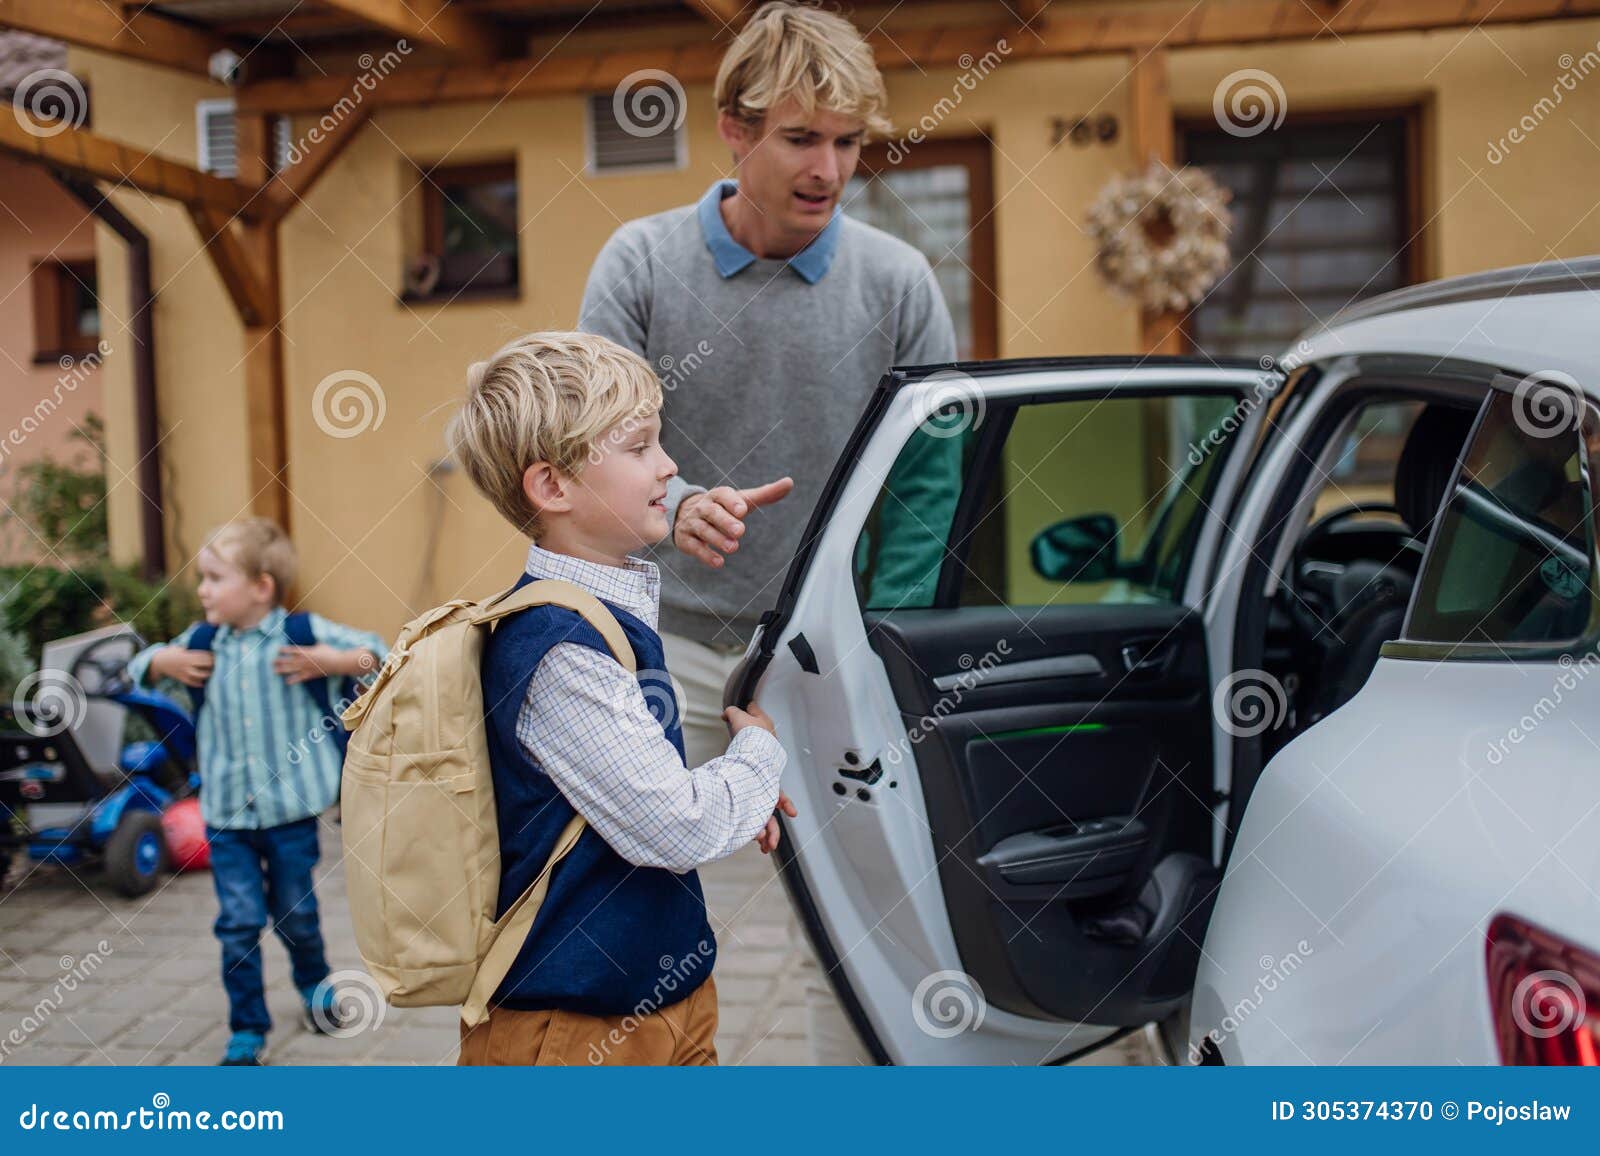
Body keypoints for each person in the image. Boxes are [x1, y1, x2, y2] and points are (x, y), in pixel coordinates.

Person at [579, 0, 959, 1062]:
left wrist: (882, 628)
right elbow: (583, 441)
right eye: (801, 137)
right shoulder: (640, 264)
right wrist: (673, 498)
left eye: (847, 142)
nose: (828, 167)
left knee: (860, 931)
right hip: (666, 645)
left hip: (826, 653)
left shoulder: (898, 284)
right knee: (619, 902)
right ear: (734, 131)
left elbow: (930, 477)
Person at [447, 331, 792, 1065]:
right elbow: (675, 828)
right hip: (578, 1032)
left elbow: (636, 799)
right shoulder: (561, 648)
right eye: (639, 447)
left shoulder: (602, 619)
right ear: (553, 487)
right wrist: (757, 753)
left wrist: (742, 794)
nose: (669, 466)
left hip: (661, 1000)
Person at [123, 517, 386, 1066]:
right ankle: (247, 1028)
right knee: (238, 922)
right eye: (202, 577)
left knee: (296, 911)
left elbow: (377, 654)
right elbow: (134, 670)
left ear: (261, 588)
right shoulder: (200, 644)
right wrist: (161, 661)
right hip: (226, 818)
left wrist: (332, 662)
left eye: (215, 578)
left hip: (290, 814)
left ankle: (315, 987)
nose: (202, 590)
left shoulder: (300, 635)